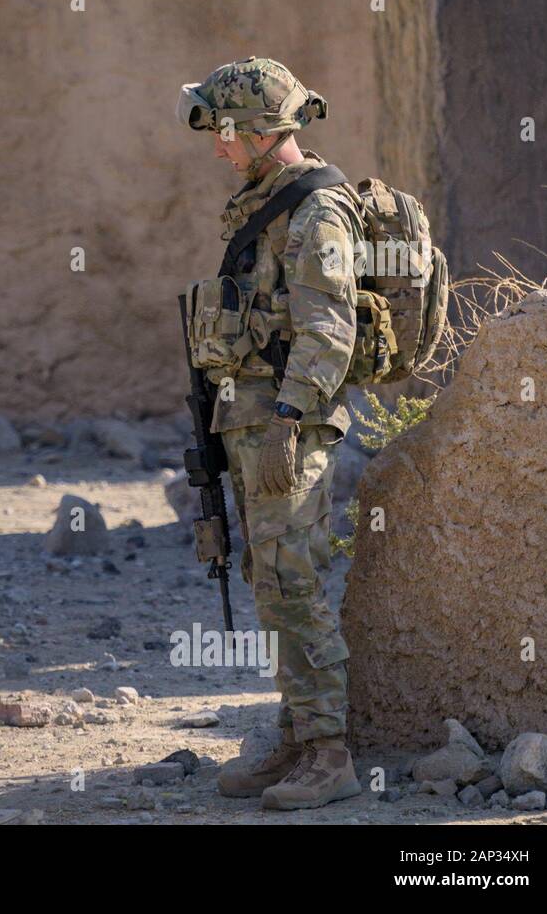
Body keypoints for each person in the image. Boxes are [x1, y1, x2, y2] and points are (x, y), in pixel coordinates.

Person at [176, 57, 364, 810]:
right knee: (269, 580)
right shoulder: (267, 203)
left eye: (224, 134)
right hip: (252, 423)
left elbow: (328, 331)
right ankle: (296, 736)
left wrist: (288, 421)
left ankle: (329, 753)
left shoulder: (317, 211)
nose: (218, 149)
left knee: (294, 583)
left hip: (289, 427)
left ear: (257, 132)